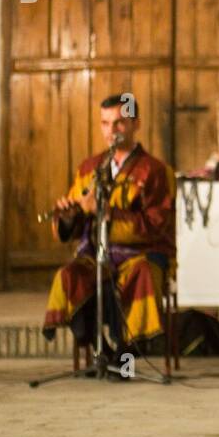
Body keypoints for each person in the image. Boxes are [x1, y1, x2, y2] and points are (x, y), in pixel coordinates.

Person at [42, 94, 176, 361]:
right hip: (98, 254)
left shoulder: (155, 170)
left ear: (136, 123)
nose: (111, 131)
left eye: (119, 123)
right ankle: (98, 348)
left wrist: (103, 213)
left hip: (142, 254)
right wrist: (69, 216)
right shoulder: (91, 168)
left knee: (142, 273)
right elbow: (78, 225)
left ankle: (126, 355)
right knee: (69, 275)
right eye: (105, 123)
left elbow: (155, 226)